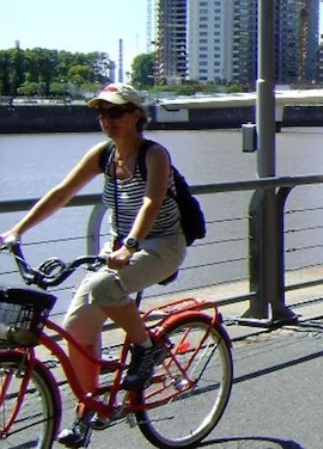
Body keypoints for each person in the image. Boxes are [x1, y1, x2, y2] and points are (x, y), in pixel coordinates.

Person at [0, 83, 186, 448]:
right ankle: (89, 412)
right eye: (101, 113)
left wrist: (130, 247)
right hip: (119, 246)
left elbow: (150, 203)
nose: (107, 120)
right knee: (77, 323)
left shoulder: (154, 155)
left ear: (136, 115)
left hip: (161, 245)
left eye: (115, 112)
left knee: (103, 288)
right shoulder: (103, 155)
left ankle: (147, 347)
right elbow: (61, 193)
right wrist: (17, 230)